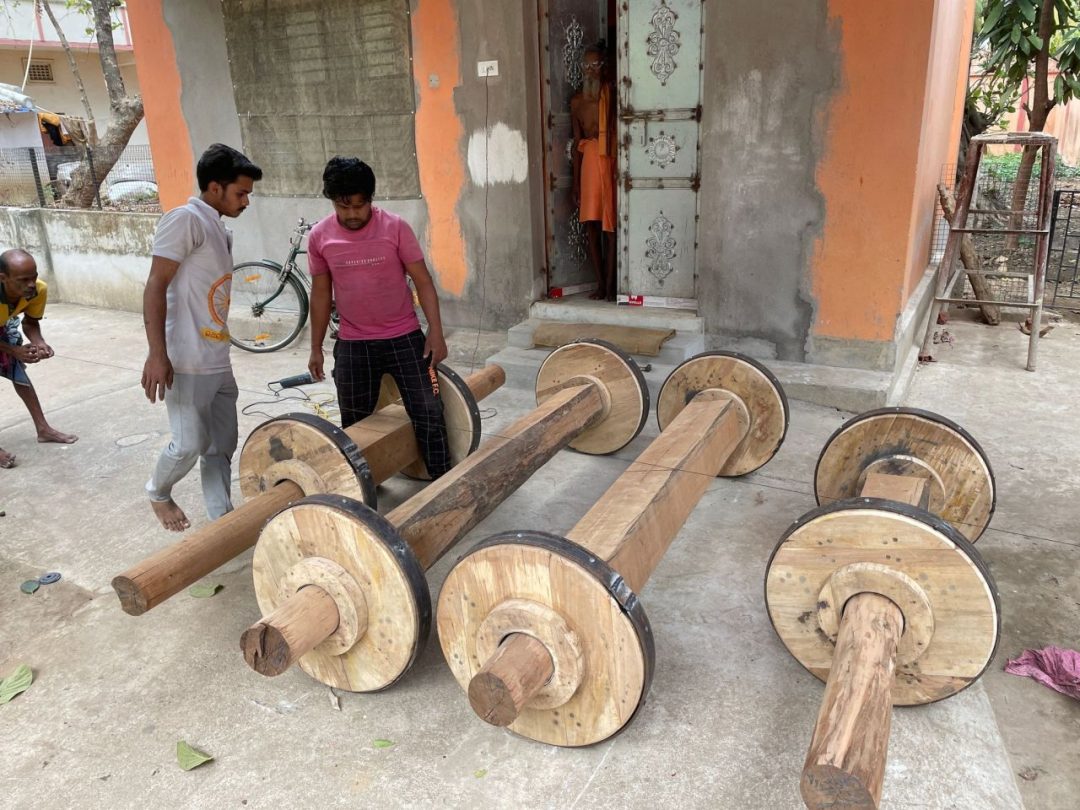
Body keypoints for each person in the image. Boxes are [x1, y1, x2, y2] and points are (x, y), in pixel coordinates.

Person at [142, 143, 262, 531]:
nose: (246, 201)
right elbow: (155, 285)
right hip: (186, 360)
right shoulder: (185, 220)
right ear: (214, 188)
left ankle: (220, 522)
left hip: (217, 358)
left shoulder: (218, 228)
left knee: (220, 445)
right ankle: (158, 492)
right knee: (188, 445)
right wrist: (157, 354)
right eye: (240, 193)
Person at [306, 157, 452, 478]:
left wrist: (435, 332)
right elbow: (321, 294)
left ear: (371, 199)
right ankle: (366, 489)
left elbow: (423, 281)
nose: (352, 214)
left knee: (429, 411)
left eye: (359, 206)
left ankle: (444, 482)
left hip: (405, 338)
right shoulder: (319, 237)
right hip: (353, 344)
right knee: (355, 424)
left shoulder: (395, 228)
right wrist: (315, 347)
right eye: (343, 207)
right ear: (332, 201)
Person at [0, 248, 77, 468]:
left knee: (19, 374)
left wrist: (39, 341)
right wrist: (14, 350)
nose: (31, 284)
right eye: (23, 280)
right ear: (3, 278)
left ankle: (43, 429)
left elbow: (30, 322)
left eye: (33, 277)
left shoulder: (37, 289)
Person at [571, 41, 617, 301]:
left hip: (609, 160)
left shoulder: (611, 96)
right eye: (586, 65)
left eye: (595, 65)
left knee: (610, 226)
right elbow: (576, 145)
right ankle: (600, 284)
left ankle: (611, 287)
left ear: (603, 68)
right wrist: (576, 183)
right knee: (592, 224)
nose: (590, 70)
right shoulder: (577, 102)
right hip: (589, 162)